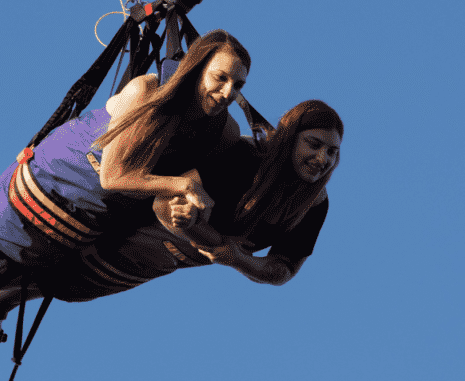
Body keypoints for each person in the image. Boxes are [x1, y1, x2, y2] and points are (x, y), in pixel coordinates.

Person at [0, 29, 251, 360]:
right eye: (220, 78)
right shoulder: (147, 91)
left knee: (20, 259)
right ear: (198, 67)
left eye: (238, 86)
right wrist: (182, 185)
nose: (227, 92)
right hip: (63, 174)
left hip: (90, 213)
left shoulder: (220, 132)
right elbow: (114, 176)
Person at [36, 99, 343, 305]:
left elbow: (284, 268)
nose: (322, 159)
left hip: (148, 263)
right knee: (41, 267)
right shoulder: (246, 158)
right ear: (291, 139)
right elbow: (169, 196)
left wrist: (239, 259)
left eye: (332, 152)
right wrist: (181, 213)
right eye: (314, 145)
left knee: (67, 289)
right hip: (129, 232)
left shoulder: (314, 203)